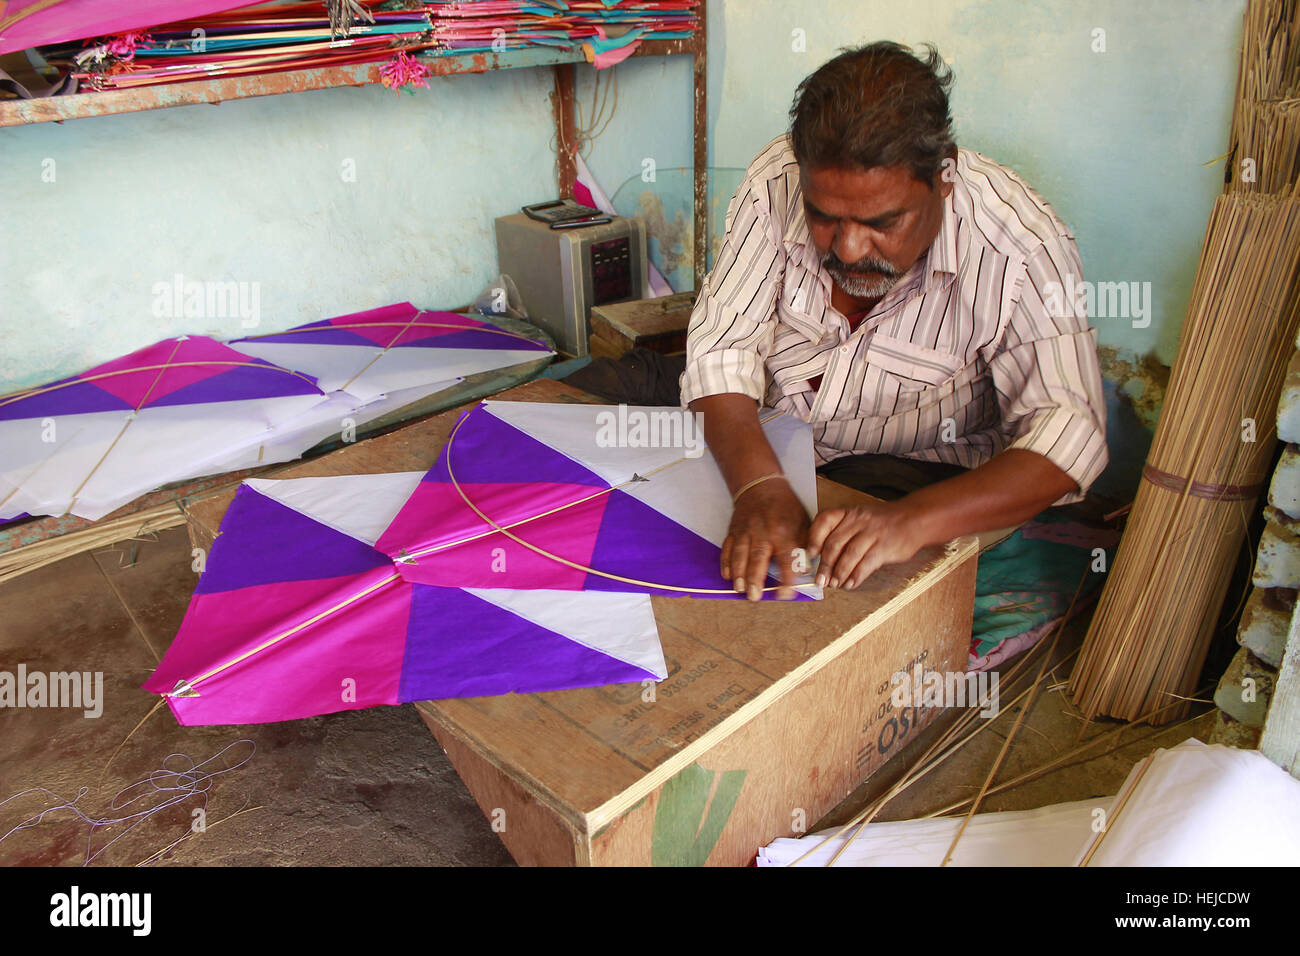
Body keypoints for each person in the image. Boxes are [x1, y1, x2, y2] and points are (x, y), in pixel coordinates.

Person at [680, 41, 1108, 601]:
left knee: (821, 589)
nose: (851, 249)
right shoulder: (775, 182)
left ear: (944, 176)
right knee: (611, 407)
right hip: (770, 437)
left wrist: (911, 522)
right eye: (824, 217)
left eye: (883, 221)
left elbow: (1069, 434)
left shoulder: (1020, 246)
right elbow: (721, 354)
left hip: (904, 474)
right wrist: (759, 486)